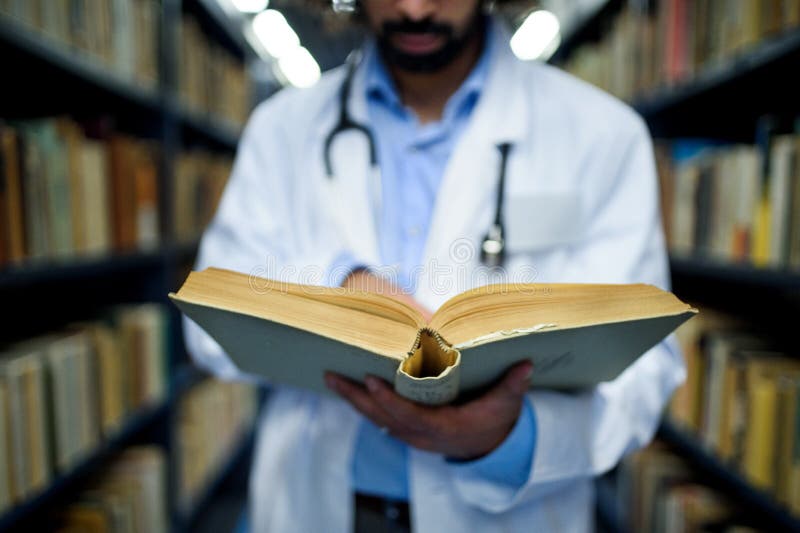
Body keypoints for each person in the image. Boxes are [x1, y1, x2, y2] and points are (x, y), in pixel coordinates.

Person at [183, 1, 685, 531]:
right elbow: (210, 324)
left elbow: (645, 369)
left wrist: (511, 439)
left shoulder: (603, 135)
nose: (414, 9)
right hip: (321, 503)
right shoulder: (281, 129)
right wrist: (339, 286)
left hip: (508, 511)